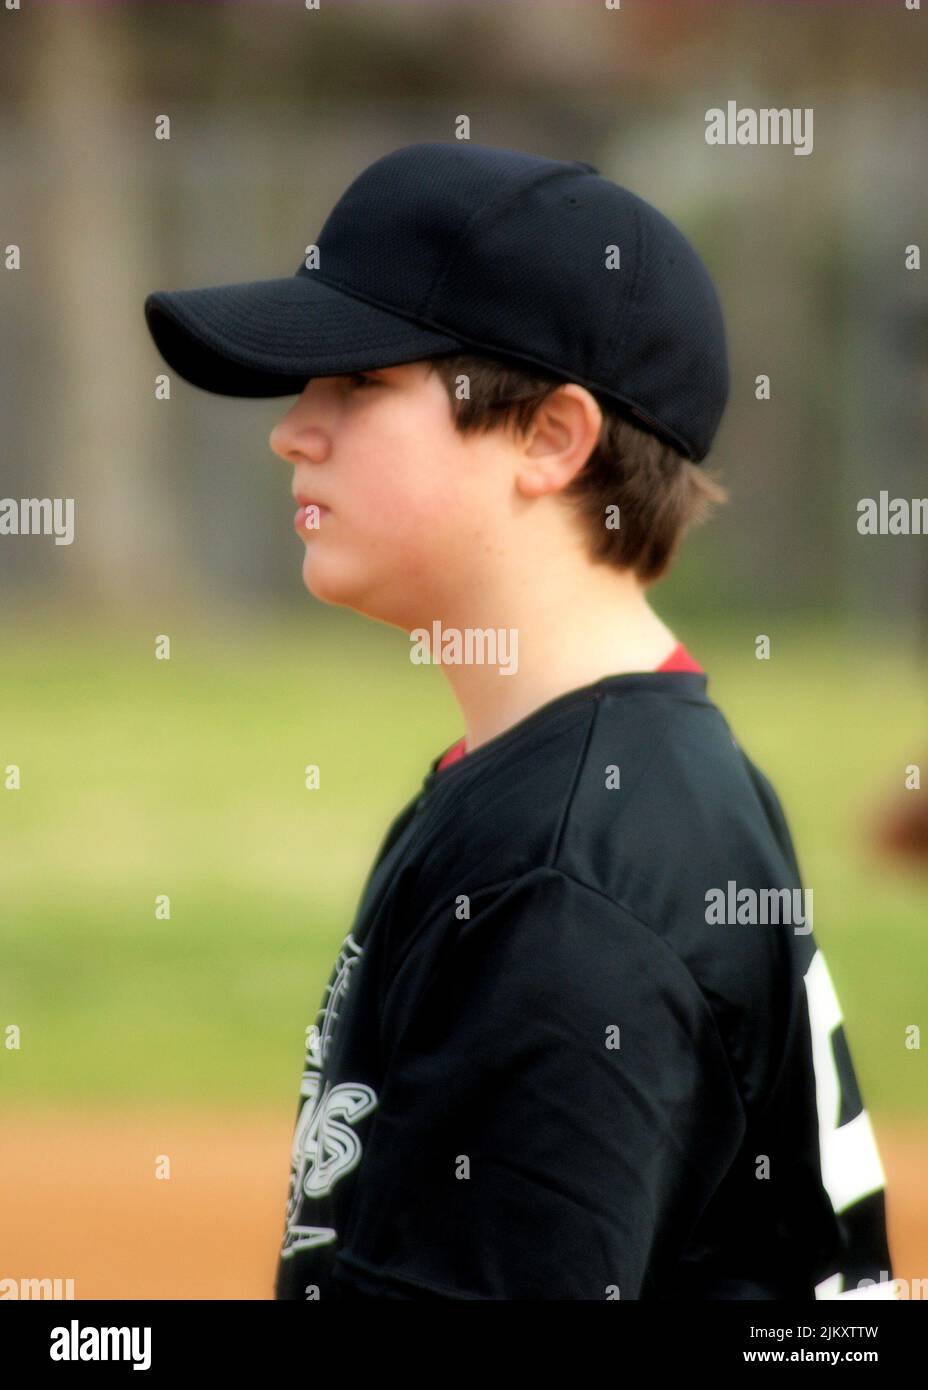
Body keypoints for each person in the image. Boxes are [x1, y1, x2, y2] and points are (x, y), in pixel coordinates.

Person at [144, 141, 896, 1301]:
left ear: (551, 438)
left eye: (356, 384)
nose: (293, 432)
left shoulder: (560, 878)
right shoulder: (613, 775)